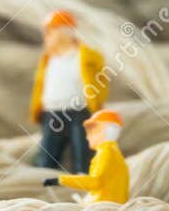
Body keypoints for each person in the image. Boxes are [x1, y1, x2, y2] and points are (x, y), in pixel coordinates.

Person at [29, 9, 109, 172]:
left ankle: (84, 183)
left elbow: (102, 80)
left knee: (83, 154)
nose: (47, 36)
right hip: (53, 112)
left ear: (65, 31)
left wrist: (97, 103)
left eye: (50, 31)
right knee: (48, 156)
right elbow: (41, 85)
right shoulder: (47, 59)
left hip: (80, 111)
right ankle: (45, 184)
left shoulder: (88, 56)